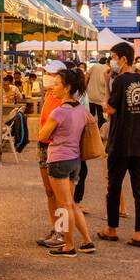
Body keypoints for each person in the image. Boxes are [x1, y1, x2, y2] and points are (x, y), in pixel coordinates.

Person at [97, 42, 140, 247]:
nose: (111, 61)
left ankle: (112, 229)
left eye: (113, 57)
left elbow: (109, 110)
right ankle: (139, 233)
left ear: (122, 59)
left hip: (120, 142)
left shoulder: (119, 81)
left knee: (114, 186)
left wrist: (105, 86)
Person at [37, 66, 96, 257]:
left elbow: (42, 135)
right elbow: (91, 122)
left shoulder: (59, 112)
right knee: (71, 203)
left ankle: (68, 245)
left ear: (67, 87)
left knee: (63, 204)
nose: (53, 87)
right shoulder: (79, 107)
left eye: (57, 84)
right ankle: (87, 241)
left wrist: (56, 131)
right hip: (75, 159)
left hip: (59, 159)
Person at [33, 60, 70, 249]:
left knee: (60, 194)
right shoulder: (49, 94)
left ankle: (63, 232)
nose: (46, 77)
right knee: (49, 192)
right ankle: (55, 228)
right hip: (43, 145)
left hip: (57, 149)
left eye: (51, 75)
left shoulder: (66, 100)